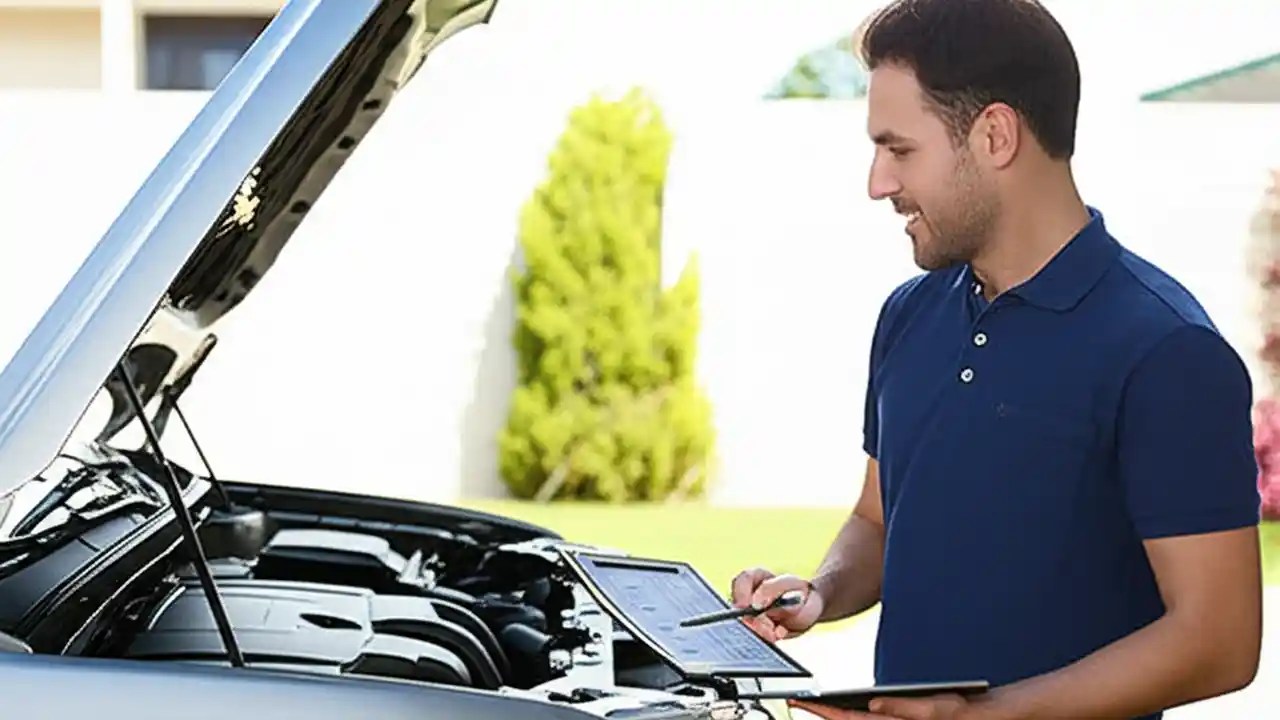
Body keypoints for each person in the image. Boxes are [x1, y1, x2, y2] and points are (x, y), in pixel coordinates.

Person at [729, 1, 1264, 718]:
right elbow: (880, 521)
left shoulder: (1168, 352)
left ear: (995, 135)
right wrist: (821, 591)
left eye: (900, 149)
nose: (877, 182)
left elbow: (1220, 642)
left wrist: (989, 715)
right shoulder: (909, 315)